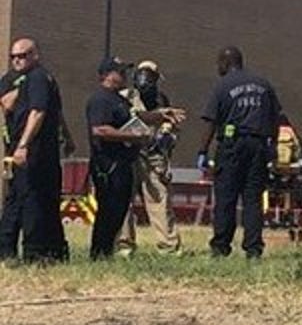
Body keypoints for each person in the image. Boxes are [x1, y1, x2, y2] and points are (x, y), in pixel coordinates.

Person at [85, 56, 183, 260]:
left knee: (154, 201)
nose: (126, 75)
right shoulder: (104, 99)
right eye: (120, 71)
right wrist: (135, 136)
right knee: (115, 209)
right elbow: (100, 129)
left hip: (148, 156)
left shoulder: (126, 99)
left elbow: (136, 116)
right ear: (106, 75)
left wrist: (162, 115)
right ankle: (117, 248)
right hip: (112, 163)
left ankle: (168, 247)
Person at [198, 46, 282, 259]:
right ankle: (253, 249)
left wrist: (202, 151)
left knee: (226, 198)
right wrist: (272, 146)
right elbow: (276, 118)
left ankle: (220, 247)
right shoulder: (263, 85)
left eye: (219, 63)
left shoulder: (222, 86)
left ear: (226, 63)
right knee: (252, 199)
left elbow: (210, 121)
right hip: (258, 146)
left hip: (232, 146)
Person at [0, 38, 70, 263]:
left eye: (23, 55)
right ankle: (19, 252)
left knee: (37, 200)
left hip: (37, 150)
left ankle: (42, 251)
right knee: (21, 200)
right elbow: (8, 104)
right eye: (14, 57)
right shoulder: (13, 79)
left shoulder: (40, 78)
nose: (17, 60)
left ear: (35, 55)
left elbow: (42, 111)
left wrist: (24, 145)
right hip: (22, 149)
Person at [116, 60, 185, 255]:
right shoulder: (125, 97)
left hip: (154, 156)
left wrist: (167, 136)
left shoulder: (162, 99)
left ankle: (169, 247)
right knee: (123, 202)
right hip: (129, 154)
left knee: (159, 201)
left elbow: (171, 127)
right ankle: (124, 246)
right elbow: (128, 118)